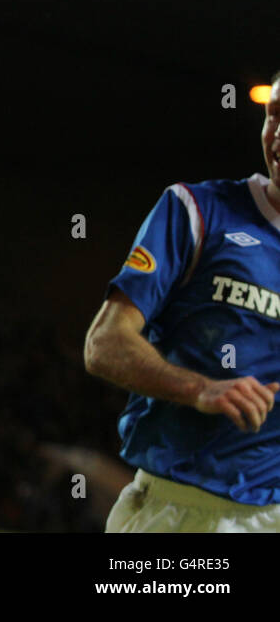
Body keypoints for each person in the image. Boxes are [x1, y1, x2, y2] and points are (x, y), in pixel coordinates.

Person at [84, 71, 280, 531]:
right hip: (180, 512)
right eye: (274, 115)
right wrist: (201, 388)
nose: (279, 133)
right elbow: (104, 344)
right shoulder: (196, 211)